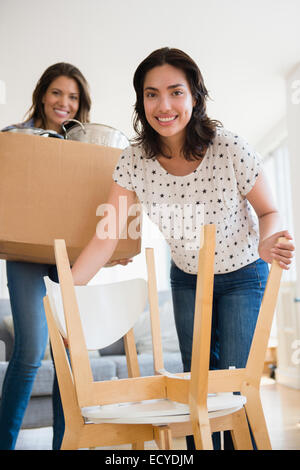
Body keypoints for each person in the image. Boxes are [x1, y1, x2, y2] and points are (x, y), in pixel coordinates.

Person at [70, 48, 295, 449]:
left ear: (195, 96)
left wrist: (267, 239)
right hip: (187, 276)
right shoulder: (134, 159)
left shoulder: (229, 147)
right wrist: (66, 295)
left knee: (235, 384)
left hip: (244, 272)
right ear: (141, 101)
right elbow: (107, 235)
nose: (164, 105)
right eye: (151, 94)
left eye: (176, 92)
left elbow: (270, 210)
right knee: (197, 386)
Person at [0, 62, 92, 450]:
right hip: (24, 254)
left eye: (73, 97)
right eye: (57, 93)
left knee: (67, 354)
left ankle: (62, 444)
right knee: (32, 349)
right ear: (42, 93)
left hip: (69, 258)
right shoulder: (13, 138)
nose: (64, 103)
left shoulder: (85, 147)